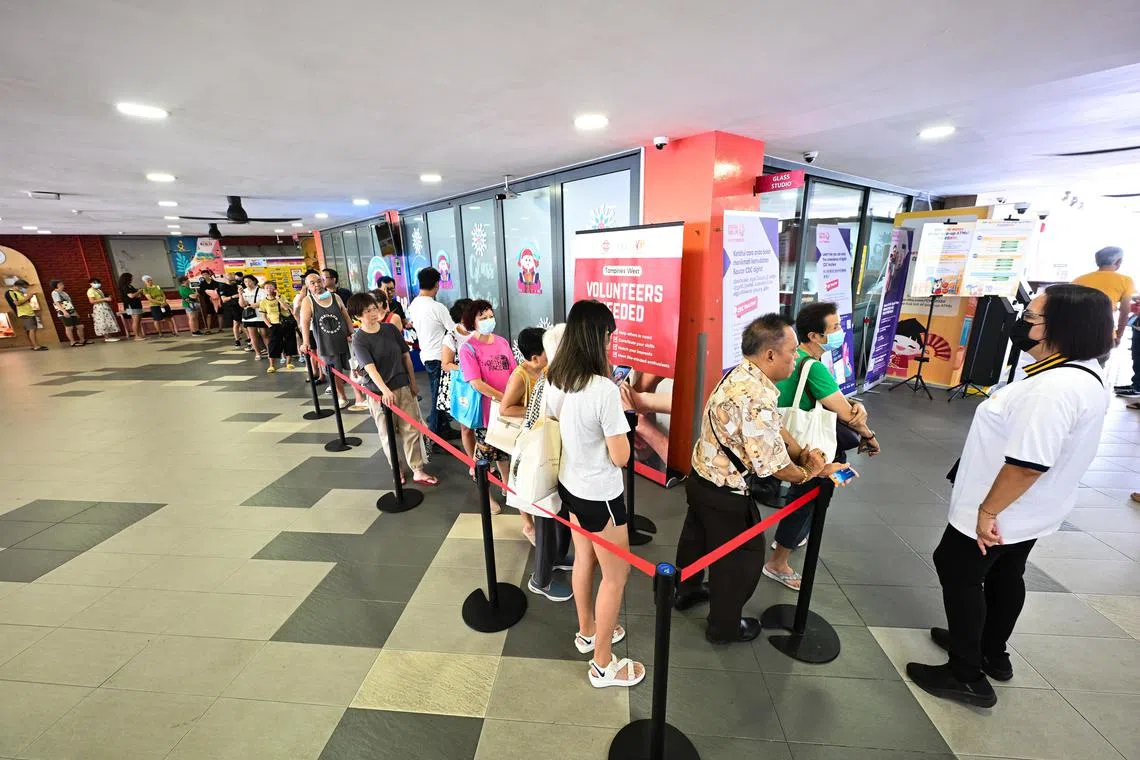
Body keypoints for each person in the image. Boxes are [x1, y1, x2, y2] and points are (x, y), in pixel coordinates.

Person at [907, 283, 1112, 708]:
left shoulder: (1053, 388)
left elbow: (1026, 464)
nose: (1022, 323)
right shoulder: (1077, 373)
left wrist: (986, 511)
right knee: (1005, 573)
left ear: (1062, 327)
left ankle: (966, 673)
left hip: (1002, 510)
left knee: (958, 569)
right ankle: (989, 650)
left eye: (1032, 318)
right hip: (1031, 510)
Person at [674, 314, 843, 644]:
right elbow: (774, 467)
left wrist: (801, 451)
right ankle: (723, 627)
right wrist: (813, 471)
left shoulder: (744, 375)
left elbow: (774, 431)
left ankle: (684, 591)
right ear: (770, 355)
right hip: (726, 492)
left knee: (695, 538)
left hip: (701, 477)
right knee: (743, 559)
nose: (797, 358)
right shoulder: (754, 398)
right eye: (793, 352)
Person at [544, 300, 643, 688]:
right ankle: (603, 664)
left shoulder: (558, 377)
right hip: (600, 494)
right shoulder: (603, 389)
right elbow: (621, 456)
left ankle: (588, 632)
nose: (611, 344)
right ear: (599, 337)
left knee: (584, 559)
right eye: (609, 336)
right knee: (617, 575)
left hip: (571, 485)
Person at [765, 301, 881, 590]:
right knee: (809, 499)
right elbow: (846, 414)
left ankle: (790, 537)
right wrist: (868, 434)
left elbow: (839, 402)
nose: (841, 332)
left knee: (803, 497)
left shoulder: (794, 360)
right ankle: (778, 562)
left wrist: (851, 405)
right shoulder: (812, 367)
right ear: (815, 335)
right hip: (810, 449)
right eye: (836, 328)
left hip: (792, 439)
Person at [503, 325, 574, 602]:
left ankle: (556, 557)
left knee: (559, 513)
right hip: (544, 458)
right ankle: (540, 579)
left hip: (554, 457)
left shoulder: (555, 377)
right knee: (545, 517)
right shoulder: (552, 379)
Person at [347, 292, 438, 487]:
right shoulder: (359, 339)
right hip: (379, 393)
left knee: (411, 429)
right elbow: (370, 369)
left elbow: (406, 357)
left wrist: (412, 382)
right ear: (357, 316)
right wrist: (385, 391)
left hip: (402, 386)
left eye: (373, 308)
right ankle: (397, 469)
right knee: (387, 433)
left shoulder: (390, 329)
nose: (373, 313)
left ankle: (418, 469)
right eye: (366, 311)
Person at [459, 300, 517, 514]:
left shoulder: (501, 341)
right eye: (482, 318)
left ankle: (508, 486)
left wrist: (512, 397)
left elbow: (513, 371)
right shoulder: (468, 348)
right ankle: (486, 497)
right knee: (483, 458)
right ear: (472, 322)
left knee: (503, 452)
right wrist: (503, 397)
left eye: (490, 316)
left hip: (505, 409)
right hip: (485, 412)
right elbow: (476, 382)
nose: (488, 321)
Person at [500, 326, 548, 545]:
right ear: (535, 357)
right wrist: (534, 409)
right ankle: (527, 524)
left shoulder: (546, 369)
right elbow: (505, 408)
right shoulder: (520, 376)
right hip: (525, 437)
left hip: (543, 434)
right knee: (522, 480)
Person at [407, 267, 461, 440]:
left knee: (440, 394)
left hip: (427, 355)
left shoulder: (414, 304)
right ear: (437, 284)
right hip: (439, 357)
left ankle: (444, 428)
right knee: (440, 397)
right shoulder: (437, 307)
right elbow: (454, 330)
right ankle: (435, 437)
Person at [298, 270, 354, 408]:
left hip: (343, 339)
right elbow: (304, 322)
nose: (317, 285)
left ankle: (360, 397)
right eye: (312, 283)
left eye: (319, 281)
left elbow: (346, 315)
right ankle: (342, 397)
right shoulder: (308, 301)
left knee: (353, 368)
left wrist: (351, 332)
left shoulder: (335, 297)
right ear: (308, 286)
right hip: (326, 343)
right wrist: (305, 342)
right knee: (334, 371)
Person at [1072, 246, 1132, 368]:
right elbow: (1125, 312)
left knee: (1072, 366)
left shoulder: (1079, 279)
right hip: (1103, 332)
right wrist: (1118, 336)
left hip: (1076, 331)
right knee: (1096, 368)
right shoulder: (1125, 280)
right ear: (1118, 262)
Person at [441, 298, 475, 462]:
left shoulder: (481, 332)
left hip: (483, 384)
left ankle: (484, 459)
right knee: (466, 426)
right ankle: (473, 462)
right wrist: (466, 369)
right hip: (463, 386)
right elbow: (446, 364)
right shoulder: (452, 337)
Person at [257, 280, 298, 372]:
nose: (269, 289)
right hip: (274, 325)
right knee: (273, 344)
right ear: (264, 289)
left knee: (289, 342)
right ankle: (272, 365)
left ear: (275, 288)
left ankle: (289, 363)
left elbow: (286, 308)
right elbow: (263, 315)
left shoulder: (281, 297)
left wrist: (278, 298)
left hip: (286, 323)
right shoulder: (263, 302)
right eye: (267, 288)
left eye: (271, 287)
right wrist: (270, 326)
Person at [6, 279, 47, 350]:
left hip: (28, 312)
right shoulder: (11, 292)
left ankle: (34, 345)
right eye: (24, 287)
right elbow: (17, 303)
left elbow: (24, 302)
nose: (25, 289)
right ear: (18, 286)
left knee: (31, 329)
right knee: (32, 329)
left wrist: (29, 298)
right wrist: (27, 297)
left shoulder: (18, 292)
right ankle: (36, 346)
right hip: (24, 313)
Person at [239, 274, 269, 359]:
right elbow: (242, 304)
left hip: (261, 316)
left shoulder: (262, 291)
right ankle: (257, 353)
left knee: (265, 335)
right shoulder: (244, 291)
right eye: (245, 281)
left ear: (254, 281)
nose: (247, 283)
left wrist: (249, 305)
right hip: (249, 317)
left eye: (249, 281)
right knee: (253, 336)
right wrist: (240, 294)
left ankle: (270, 352)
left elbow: (262, 303)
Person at [51, 280, 87, 347]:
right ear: (56, 286)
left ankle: (82, 340)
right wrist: (64, 312)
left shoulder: (64, 293)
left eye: (62, 284)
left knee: (80, 326)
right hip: (63, 312)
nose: (62, 285)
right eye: (60, 284)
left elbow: (69, 303)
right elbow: (57, 303)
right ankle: (72, 342)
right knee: (69, 327)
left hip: (71, 311)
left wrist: (75, 312)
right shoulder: (55, 293)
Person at [85, 278, 121, 343]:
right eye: (95, 283)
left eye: (98, 283)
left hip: (104, 306)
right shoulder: (90, 291)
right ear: (90, 284)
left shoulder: (99, 290)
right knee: (102, 321)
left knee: (108, 320)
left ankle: (109, 336)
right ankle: (106, 337)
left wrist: (107, 298)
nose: (97, 284)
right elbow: (91, 301)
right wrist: (104, 299)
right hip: (99, 307)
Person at [217, 272, 244, 348]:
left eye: (232, 275)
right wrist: (233, 296)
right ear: (226, 277)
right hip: (232, 306)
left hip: (241, 305)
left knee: (243, 323)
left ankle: (249, 339)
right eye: (229, 275)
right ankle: (237, 340)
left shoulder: (238, 284)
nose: (231, 276)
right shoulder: (223, 286)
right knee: (236, 323)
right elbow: (224, 299)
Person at [118, 272, 146, 340]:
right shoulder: (125, 286)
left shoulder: (130, 286)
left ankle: (140, 334)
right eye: (131, 277)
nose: (132, 279)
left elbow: (136, 295)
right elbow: (131, 296)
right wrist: (139, 291)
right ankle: (136, 336)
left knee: (139, 320)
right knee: (135, 320)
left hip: (136, 304)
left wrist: (138, 293)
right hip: (131, 305)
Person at [196, 269, 220, 334]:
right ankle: (208, 329)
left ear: (209, 275)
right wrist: (209, 295)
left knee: (219, 313)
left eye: (206, 274)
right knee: (209, 314)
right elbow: (202, 292)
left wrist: (215, 293)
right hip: (208, 300)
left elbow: (218, 290)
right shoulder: (202, 284)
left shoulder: (215, 283)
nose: (205, 276)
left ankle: (220, 328)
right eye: (203, 275)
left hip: (216, 300)